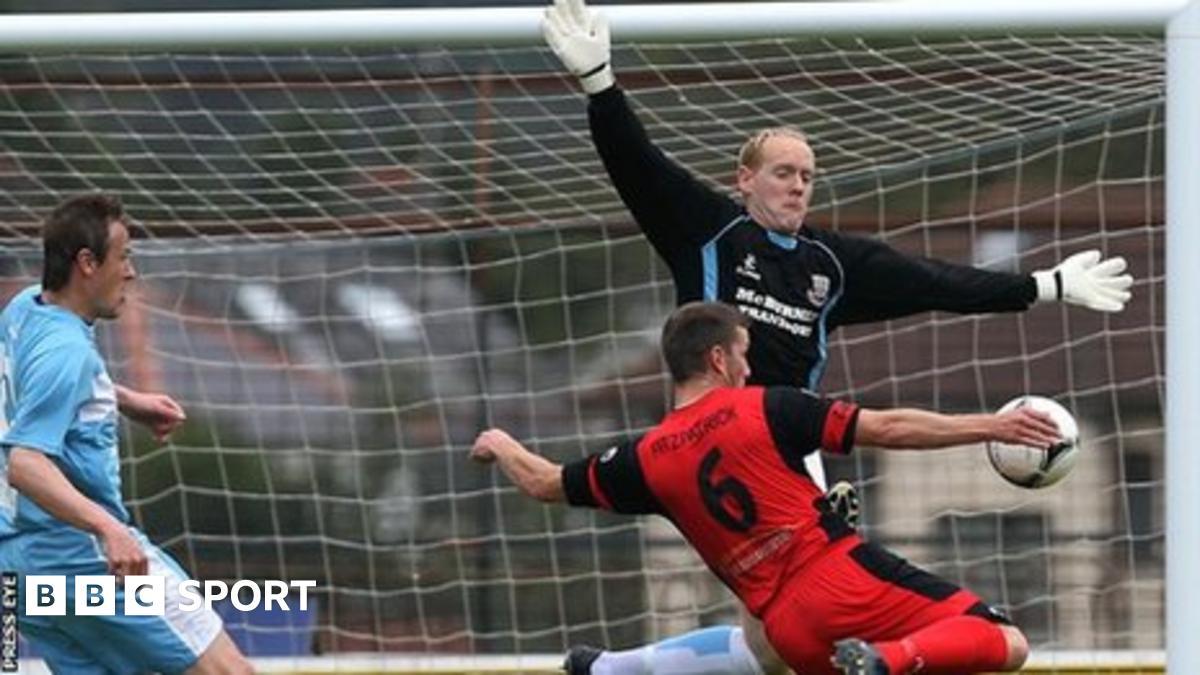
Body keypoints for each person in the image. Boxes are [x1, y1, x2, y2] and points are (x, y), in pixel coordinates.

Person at [541, 0, 1133, 672]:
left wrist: (1041, 287)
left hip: (793, 444)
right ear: (745, 179)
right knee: (786, 636)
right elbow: (638, 169)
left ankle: (607, 669)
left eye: (806, 176)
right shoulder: (709, 229)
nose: (797, 186)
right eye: (782, 172)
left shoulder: (831, 263)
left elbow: (934, 282)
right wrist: (600, 87)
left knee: (778, 645)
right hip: (718, 438)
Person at [472, 302, 1063, 675]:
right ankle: (886, 660)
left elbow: (545, 482)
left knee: (760, 656)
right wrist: (991, 425)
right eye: (744, 355)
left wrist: (501, 443)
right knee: (1002, 640)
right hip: (840, 578)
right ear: (719, 358)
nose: (750, 368)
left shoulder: (644, 458)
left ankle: (606, 670)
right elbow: (887, 427)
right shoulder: (766, 407)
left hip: (786, 631)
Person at [0, 193, 253, 674]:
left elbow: (36, 387)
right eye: (125, 256)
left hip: (18, 568)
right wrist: (110, 529)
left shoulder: (23, 310)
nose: (132, 272)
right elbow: (24, 463)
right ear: (88, 263)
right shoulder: (67, 352)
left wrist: (121, 398)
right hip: (83, 560)